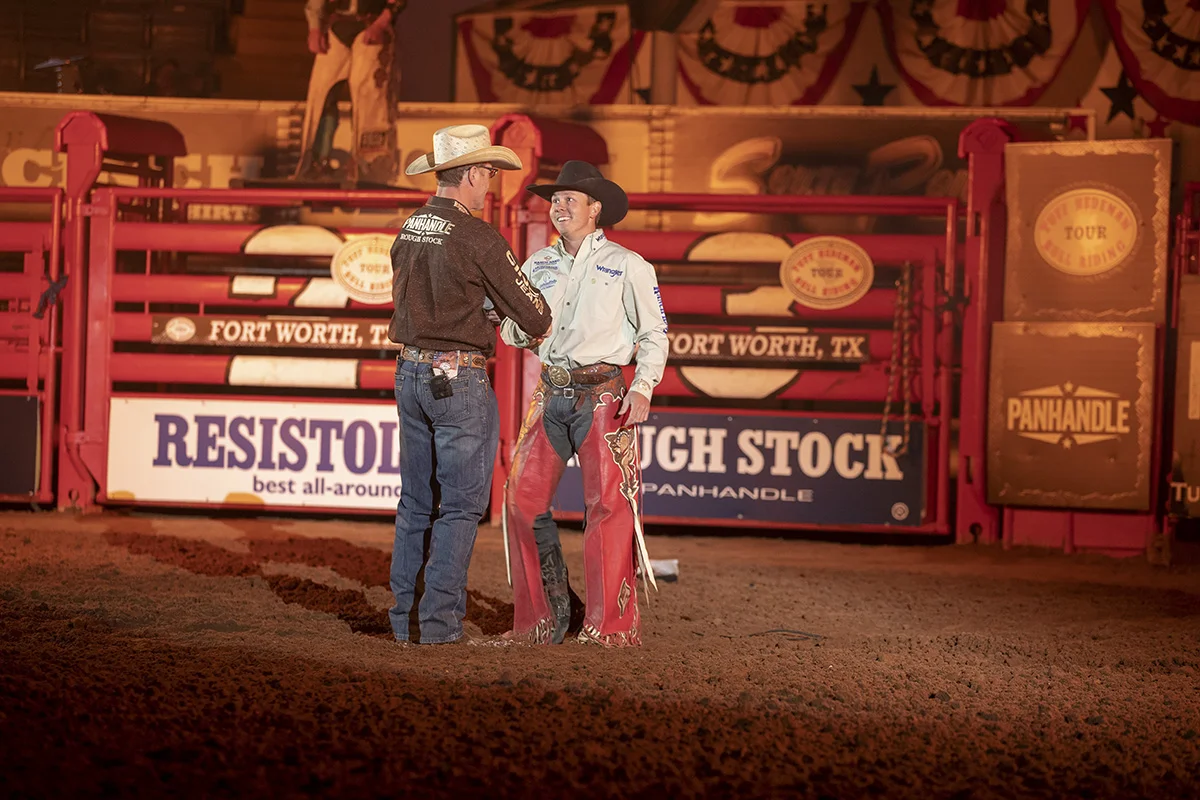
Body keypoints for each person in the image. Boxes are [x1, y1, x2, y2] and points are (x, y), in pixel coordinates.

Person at [388, 124, 553, 645]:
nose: (491, 184)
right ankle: (438, 624)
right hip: (457, 376)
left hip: (410, 370)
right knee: (460, 505)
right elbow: (536, 314)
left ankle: (405, 619)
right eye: (488, 174)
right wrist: (489, 309)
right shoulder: (479, 237)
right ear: (473, 174)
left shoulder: (409, 228)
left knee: (416, 502)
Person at [500, 161, 669, 647]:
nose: (559, 206)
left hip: (604, 394)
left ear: (595, 209)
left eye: (569, 199)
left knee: (610, 506)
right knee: (521, 501)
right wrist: (521, 330)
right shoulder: (537, 264)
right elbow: (512, 331)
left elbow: (655, 332)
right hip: (552, 391)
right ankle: (544, 619)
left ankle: (609, 626)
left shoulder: (630, 264)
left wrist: (643, 387)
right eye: (555, 199)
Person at [296, 0, 407, 184]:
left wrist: (381, 23)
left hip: (372, 23)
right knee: (321, 92)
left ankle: (369, 165)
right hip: (337, 25)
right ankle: (316, 162)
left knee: (369, 97)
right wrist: (315, 27)